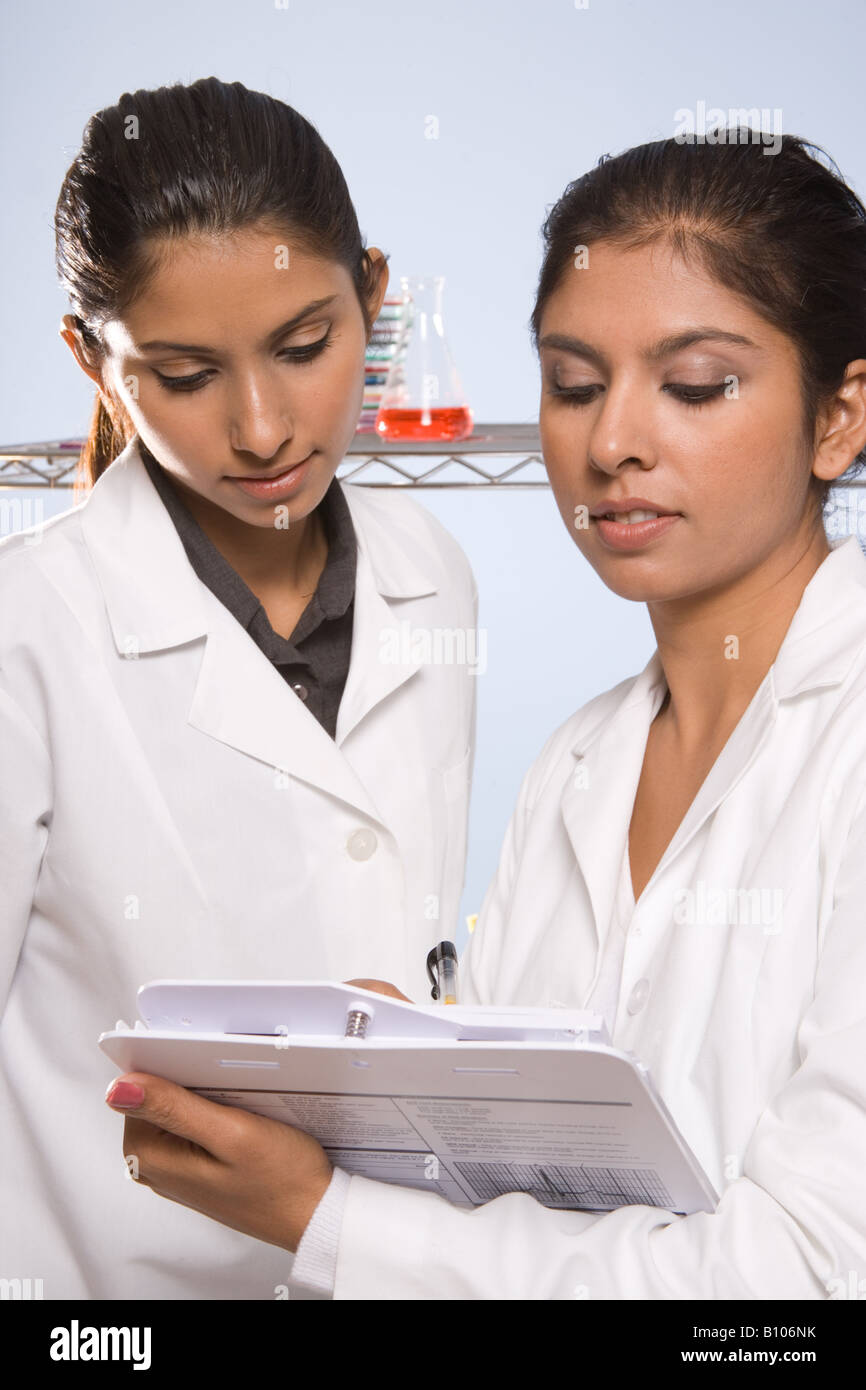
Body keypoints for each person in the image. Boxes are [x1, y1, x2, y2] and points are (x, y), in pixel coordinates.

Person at [108, 129, 866, 1299]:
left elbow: (806, 1281)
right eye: (571, 383)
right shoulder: (578, 760)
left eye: (694, 386)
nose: (609, 442)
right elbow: (509, 1192)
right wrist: (399, 1085)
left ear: (837, 417)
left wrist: (329, 1217)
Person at [0, 77, 477, 1300]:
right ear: (93, 363)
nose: (263, 428)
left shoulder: (431, 575)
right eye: (183, 372)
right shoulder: (28, 626)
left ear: (371, 293)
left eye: (305, 346)